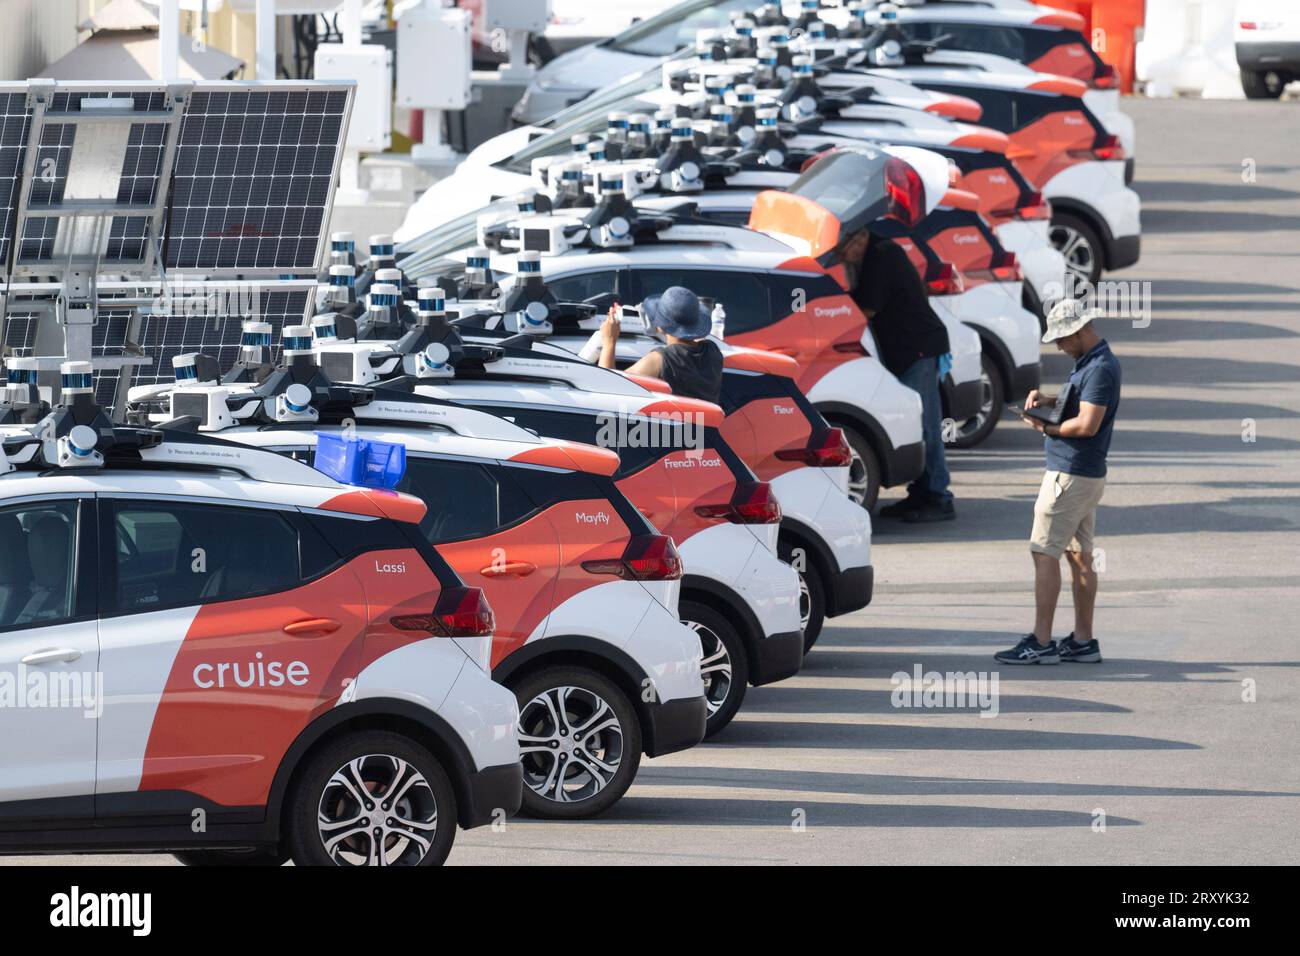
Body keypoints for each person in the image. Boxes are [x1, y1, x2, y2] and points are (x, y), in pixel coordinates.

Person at [996, 299, 1121, 666]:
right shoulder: (1093, 362)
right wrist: (1051, 399)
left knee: (1043, 551)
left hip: (1070, 475)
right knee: (1079, 555)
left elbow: (1087, 425)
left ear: (1079, 331)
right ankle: (1083, 641)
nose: (1060, 347)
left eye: (1063, 340)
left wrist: (1045, 427)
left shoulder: (1098, 368)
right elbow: (1083, 406)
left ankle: (1041, 641)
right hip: (1086, 473)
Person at [841, 228, 954, 522]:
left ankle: (939, 496)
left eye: (846, 249)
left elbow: (865, 308)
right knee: (919, 422)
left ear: (860, 237)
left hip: (916, 349)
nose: (845, 256)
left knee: (927, 424)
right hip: (909, 349)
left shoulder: (882, 254)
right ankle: (921, 492)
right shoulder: (874, 253)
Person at [599, 285, 724, 404]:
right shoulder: (713, 351)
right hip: (704, 425)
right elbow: (690, 344)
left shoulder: (660, 360)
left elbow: (608, 388)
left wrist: (609, 341)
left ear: (661, 326)